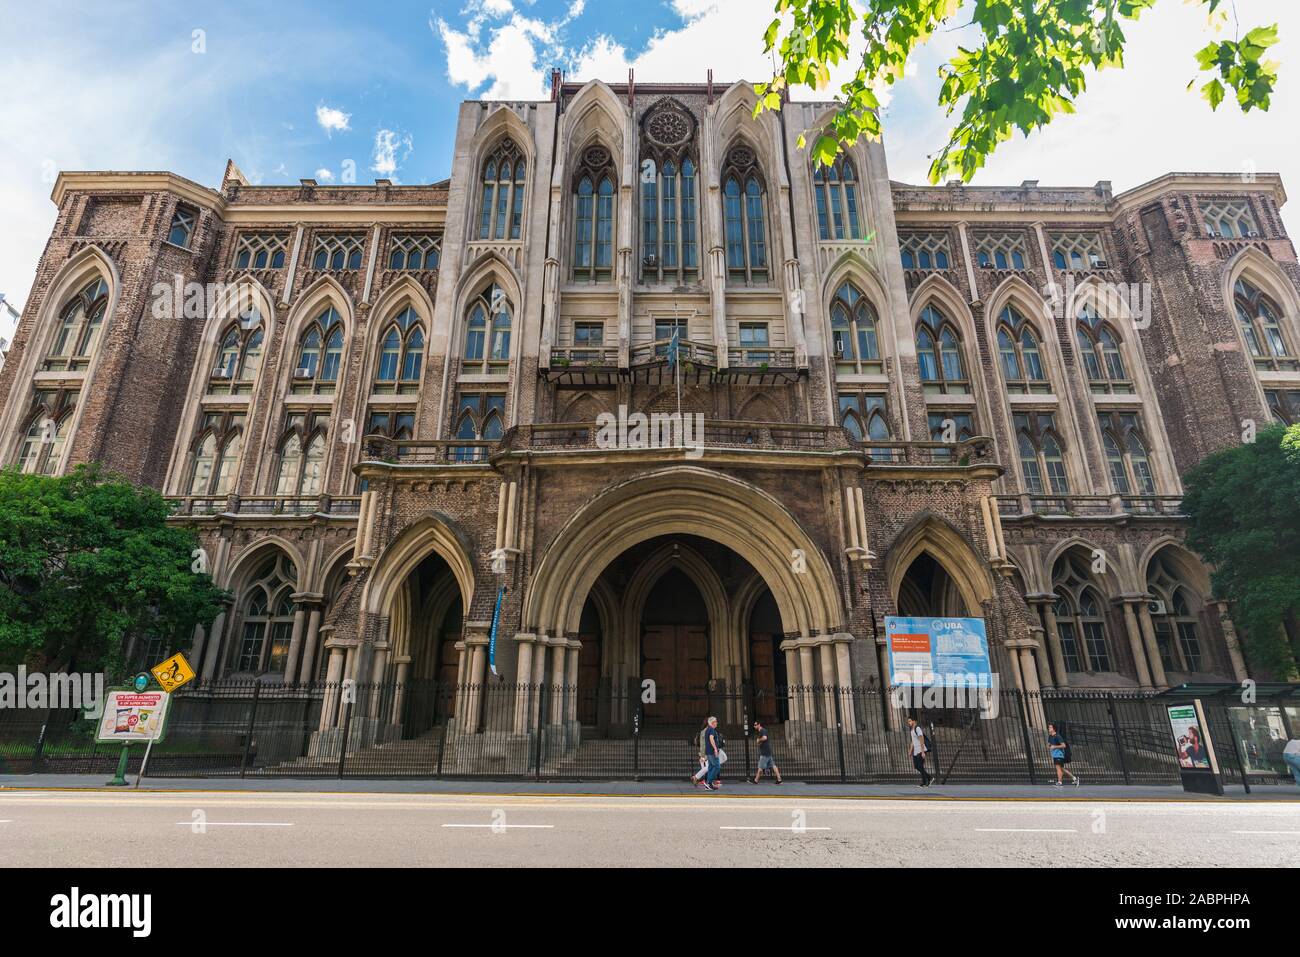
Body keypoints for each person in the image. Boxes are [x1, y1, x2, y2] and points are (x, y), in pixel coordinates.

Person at [1047, 723, 1080, 787]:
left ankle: (1060, 782)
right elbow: (1049, 745)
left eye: (1050, 727)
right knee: (1062, 769)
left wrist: (1055, 746)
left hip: (1059, 755)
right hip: (1054, 755)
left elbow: (1064, 745)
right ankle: (1075, 779)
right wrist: (1050, 745)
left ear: (1054, 729)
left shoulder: (1058, 736)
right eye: (1049, 727)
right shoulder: (1050, 736)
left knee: (1058, 769)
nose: (1049, 728)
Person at [750, 720, 782, 784]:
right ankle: (779, 779)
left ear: (759, 725)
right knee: (773, 766)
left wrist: (759, 740)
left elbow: (765, 738)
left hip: (765, 752)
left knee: (760, 767)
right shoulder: (761, 731)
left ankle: (756, 780)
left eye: (755, 725)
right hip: (767, 751)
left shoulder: (762, 730)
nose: (754, 726)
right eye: (754, 725)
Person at [906, 717, 931, 787]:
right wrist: (910, 751)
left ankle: (925, 782)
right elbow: (913, 741)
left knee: (920, 766)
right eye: (908, 722)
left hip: (920, 750)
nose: (909, 723)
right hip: (915, 751)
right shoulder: (912, 730)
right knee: (916, 766)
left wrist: (923, 752)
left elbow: (921, 739)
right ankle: (929, 777)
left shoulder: (917, 728)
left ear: (914, 721)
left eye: (910, 721)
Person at [702, 715, 723, 790]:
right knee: (717, 767)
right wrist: (715, 749)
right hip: (712, 751)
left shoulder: (708, 729)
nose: (717, 723)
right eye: (716, 721)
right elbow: (711, 739)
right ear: (712, 722)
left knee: (711, 767)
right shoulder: (711, 729)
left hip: (708, 751)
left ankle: (708, 784)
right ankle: (709, 782)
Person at [691, 720, 709, 786]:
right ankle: (696, 777)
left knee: (704, 767)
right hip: (705, 752)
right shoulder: (706, 732)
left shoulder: (702, 731)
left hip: (702, 751)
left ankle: (704, 780)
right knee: (707, 767)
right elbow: (704, 743)